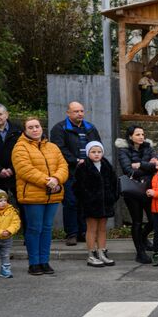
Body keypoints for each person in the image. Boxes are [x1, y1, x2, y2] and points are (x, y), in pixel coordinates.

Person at [12, 116, 67, 276]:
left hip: (53, 194)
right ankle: (34, 263)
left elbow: (63, 165)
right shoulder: (20, 147)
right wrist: (47, 181)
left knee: (47, 229)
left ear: (41, 128)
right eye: (31, 127)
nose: (35, 129)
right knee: (34, 228)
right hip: (32, 196)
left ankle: (45, 261)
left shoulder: (52, 147)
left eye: (37, 126)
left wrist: (56, 179)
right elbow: (24, 169)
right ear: (25, 130)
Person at [50, 101, 102, 246]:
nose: (79, 114)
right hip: (69, 171)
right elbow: (58, 149)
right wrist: (75, 160)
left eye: (81, 111)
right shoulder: (59, 128)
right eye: (76, 111)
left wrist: (92, 161)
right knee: (71, 202)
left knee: (85, 202)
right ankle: (71, 233)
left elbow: (98, 146)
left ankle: (84, 232)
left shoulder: (90, 128)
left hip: (88, 171)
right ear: (68, 113)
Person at [74, 141, 117, 268]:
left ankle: (102, 252)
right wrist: (86, 199)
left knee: (102, 228)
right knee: (91, 228)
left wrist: (112, 197)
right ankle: (91, 254)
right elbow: (77, 186)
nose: (96, 154)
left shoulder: (106, 165)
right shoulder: (83, 167)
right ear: (88, 153)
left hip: (105, 203)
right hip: (90, 204)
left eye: (99, 152)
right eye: (93, 152)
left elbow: (114, 182)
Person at [119, 125, 157, 262]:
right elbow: (129, 171)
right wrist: (147, 166)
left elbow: (156, 166)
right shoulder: (123, 151)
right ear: (130, 137)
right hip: (133, 191)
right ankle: (140, 252)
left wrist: (140, 164)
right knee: (137, 221)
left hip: (148, 189)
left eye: (142, 134)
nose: (141, 137)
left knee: (153, 220)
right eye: (137, 134)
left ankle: (142, 238)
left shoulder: (149, 148)